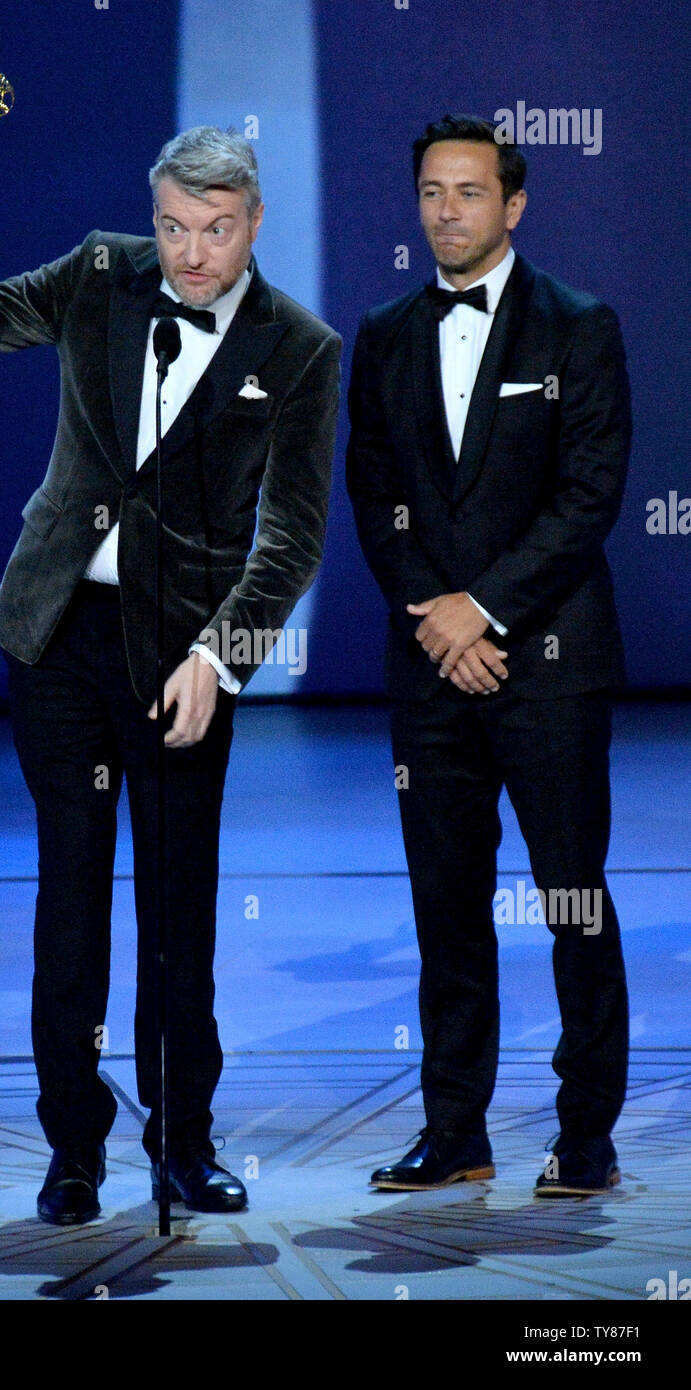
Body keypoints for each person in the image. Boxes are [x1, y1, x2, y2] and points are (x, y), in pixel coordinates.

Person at [0, 126, 340, 1223]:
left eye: (215, 230)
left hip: (183, 656)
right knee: (70, 899)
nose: (190, 254)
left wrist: (221, 656)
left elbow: (289, 540)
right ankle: (73, 1147)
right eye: (173, 227)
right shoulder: (101, 271)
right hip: (56, 636)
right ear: (152, 217)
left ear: (253, 224)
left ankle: (181, 1138)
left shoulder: (298, 349)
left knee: (178, 907)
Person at [346, 114, 631, 1198]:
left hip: (546, 664)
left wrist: (484, 611)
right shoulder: (380, 331)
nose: (445, 211)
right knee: (444, 907)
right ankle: (453, 1131)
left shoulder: (576, 325)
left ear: (512, 205)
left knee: (570, 900)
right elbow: (372, 493)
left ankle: (585, 1134)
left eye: (467, 192)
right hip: (429, 668)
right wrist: (436, 615)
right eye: (430, 191)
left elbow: (586, 497)